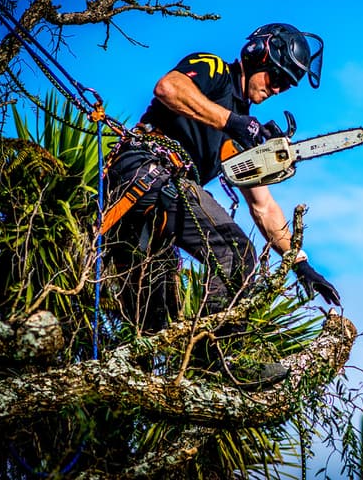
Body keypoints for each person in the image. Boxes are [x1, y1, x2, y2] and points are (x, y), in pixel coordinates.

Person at [104, 23, 341, 379]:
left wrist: (300, 261)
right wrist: (234, 122)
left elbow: (263, 206)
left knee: (155, 326)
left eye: (285, 86)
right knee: (236, 251)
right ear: (258, 56)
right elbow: (168, 88)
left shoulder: (242, 132)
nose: (276, 89)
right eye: (275, 78)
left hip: (157, 214)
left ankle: (174, 379)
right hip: (147, 172)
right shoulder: (214, 70)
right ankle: (224, 357)